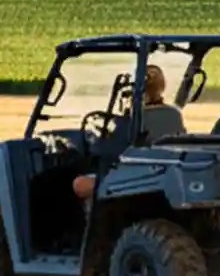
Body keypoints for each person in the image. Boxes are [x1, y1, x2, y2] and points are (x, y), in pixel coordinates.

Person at [72, 65, 172, 203]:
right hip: (161, 173)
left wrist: (99, 143)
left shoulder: (136, 119)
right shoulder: (173, 114)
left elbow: (111, 152)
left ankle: (91, 221)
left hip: (135, 177)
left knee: (80, 184)